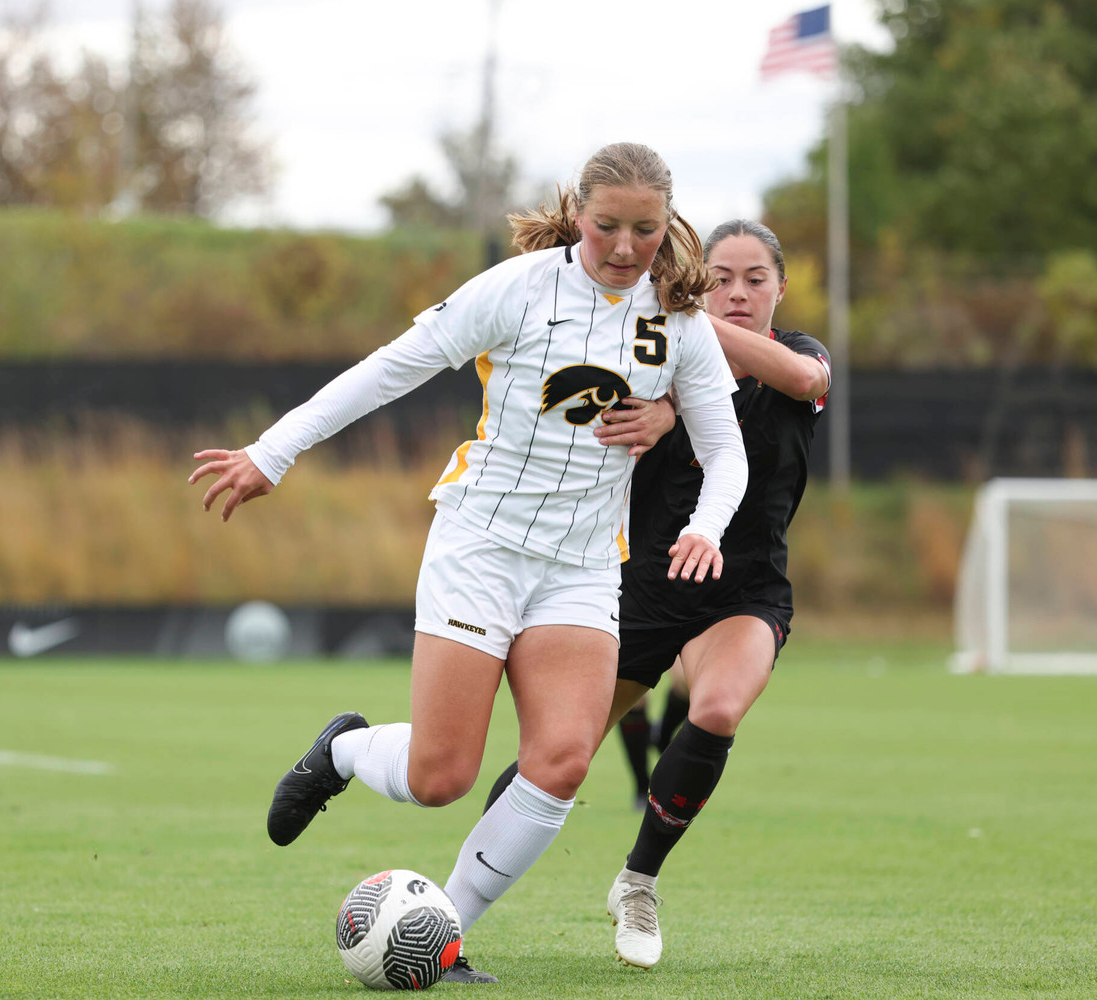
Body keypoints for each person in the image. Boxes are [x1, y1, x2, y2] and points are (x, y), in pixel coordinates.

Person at [189, 143, 749, 983]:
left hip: (582, 565)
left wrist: (706, 526)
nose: (626, 247)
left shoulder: (681, 322)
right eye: (607, 226)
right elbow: (390, 369)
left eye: (645, 229)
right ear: (578, 213)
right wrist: (273, 451)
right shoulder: (517, 288)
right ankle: (343, 751)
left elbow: (727, 451)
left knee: (562, 762)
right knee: (441, 775)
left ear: (666, 223)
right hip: (481, 544)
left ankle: (441, 935)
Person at [485, 219, 830, 969]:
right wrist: (663, 397)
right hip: (638, 587)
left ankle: (637, 883)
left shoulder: (797, 356)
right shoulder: (654, 354)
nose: (738, 293)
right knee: (554, 756)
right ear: (701, 278)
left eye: (756, 279)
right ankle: (460, 892)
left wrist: (683, 315)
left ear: (780, 288)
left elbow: (802, 382)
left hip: (743, 591)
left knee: (717, 708)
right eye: (721, 278)